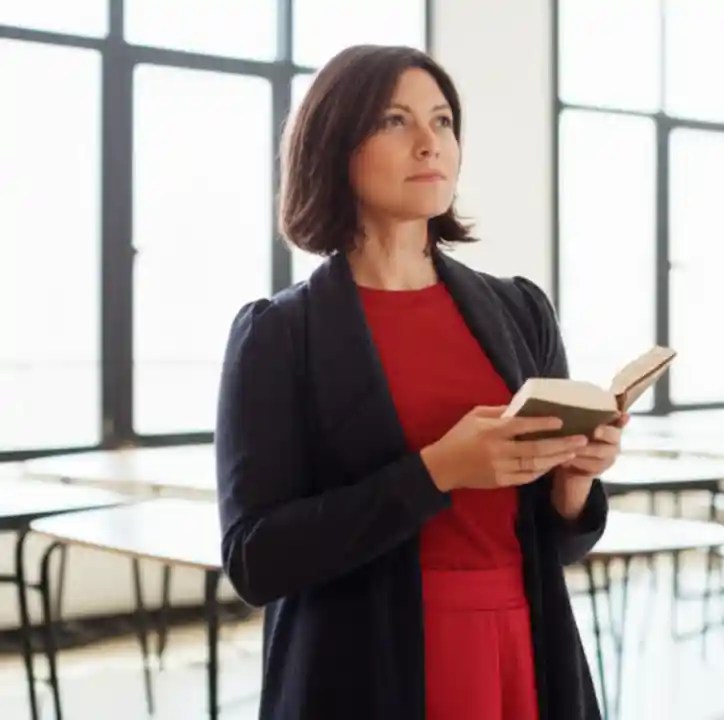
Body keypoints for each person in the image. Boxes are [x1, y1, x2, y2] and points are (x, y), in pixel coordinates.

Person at [214, 44, 622, 720]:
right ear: (335, 145)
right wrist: (436, 471)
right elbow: (256, 561)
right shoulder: (280, 333)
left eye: (443, 121)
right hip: (368, 665)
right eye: (395, 121)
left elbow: (560, 542)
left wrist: (576, 479)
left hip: (526, 645)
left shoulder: (521, 309)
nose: (430, 143)